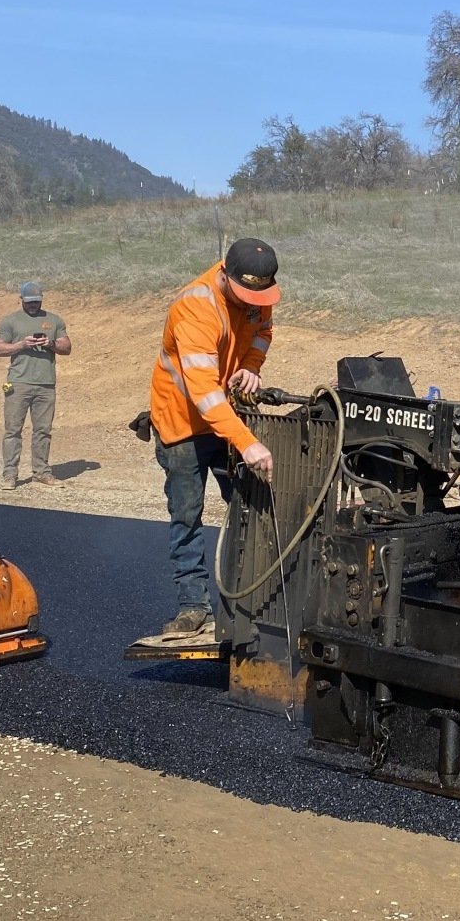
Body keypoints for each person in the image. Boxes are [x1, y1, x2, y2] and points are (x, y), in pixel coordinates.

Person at [147, 238, 280, 643]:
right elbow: (204, 393)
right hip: (181, 423)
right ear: (224, 274)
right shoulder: (196, 307)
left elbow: (263, 332)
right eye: (242, 295)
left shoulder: (257, 293)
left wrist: (252, 367)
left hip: (222, 418)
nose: (250, 303)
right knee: (187, 514)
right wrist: (248, 442)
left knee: (245, 507)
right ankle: (193, 606)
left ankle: (252, 598)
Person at [0, 280, 71, 488]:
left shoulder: (54, 320)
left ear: (41, 299)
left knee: (43, 430)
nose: (33, 305)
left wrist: (50, 343)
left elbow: (67, 347)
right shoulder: (11, 321)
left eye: (36, 301)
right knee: (12, 430)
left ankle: (42, 472)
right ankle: (10, 475)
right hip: (18, 383)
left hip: (46, 384)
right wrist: (21, 344)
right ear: (21, 300)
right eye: (29, 302)